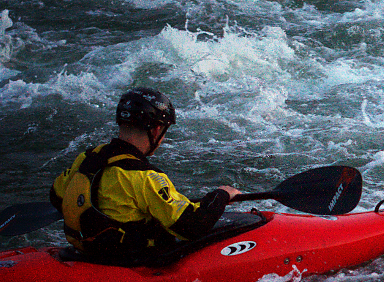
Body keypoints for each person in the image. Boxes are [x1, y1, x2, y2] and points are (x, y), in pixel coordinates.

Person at [49, 87, 241, 265]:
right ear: (156, 129)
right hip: (124, 261)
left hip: (85, 251)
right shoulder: (145, 176)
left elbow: (57, 196)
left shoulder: (87, 158)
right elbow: (191, 226)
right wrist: (221, 195)